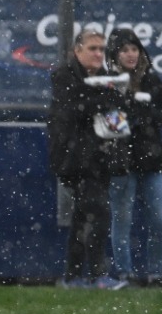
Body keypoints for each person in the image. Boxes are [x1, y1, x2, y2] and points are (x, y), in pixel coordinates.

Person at [48, 29, 129, 290]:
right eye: (92, 48)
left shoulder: (106, 78)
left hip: (99, 156)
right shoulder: (64, 76)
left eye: (101, 49)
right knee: (99, 211)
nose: (98, 54)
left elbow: (117, 105)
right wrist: (102, 98)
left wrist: (104, 99)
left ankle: (72, 277)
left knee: (83, 216)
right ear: (77, 50)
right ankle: (97, 275)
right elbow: (77, 107)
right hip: (75, 157)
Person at [104, 27, 162, 285]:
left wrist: (148, 115)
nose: (131, 55)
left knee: (159, 221)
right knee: (122, 220)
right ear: (115, 54)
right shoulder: (108, 82)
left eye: (134, 49)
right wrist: (128, 121)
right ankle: (124, 273)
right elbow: (105, 120)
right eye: (125, 50)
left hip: (150, 161)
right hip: (121, 162)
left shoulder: (149, 79)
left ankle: (154, 274)